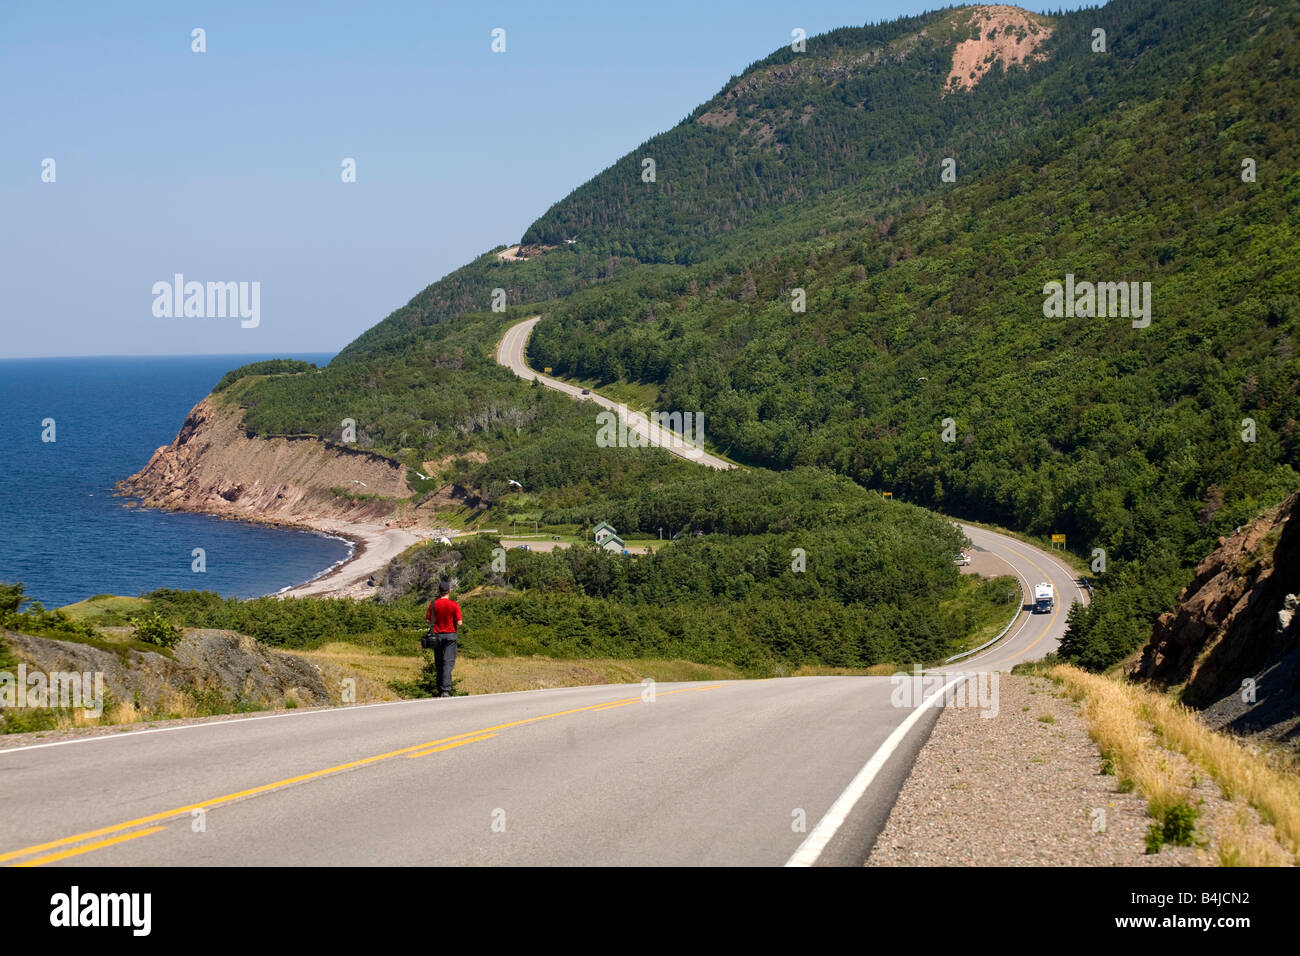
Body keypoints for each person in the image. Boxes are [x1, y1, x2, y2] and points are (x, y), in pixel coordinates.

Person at [425, 581, 463, 698]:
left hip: (437, 636)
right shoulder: (454, 604)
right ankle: (445, 690)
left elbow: (428, 621)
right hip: (450, 635)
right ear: (449, 590)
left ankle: (439, 687)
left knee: (439, 662)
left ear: (439, 591)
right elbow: (459, 623)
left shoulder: (433, 604)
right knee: (448, 662)